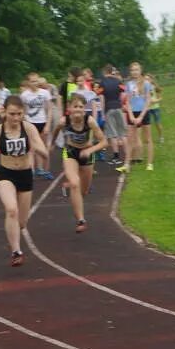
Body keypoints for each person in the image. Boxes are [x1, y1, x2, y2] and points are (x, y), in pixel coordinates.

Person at [0, 94, 49, 266]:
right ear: (5, 113)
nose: (15, 118)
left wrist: (38, 149)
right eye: (12, 114)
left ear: (23, 113)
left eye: (19, 114)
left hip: (25, 175)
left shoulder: (29, 128)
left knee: (22, 222)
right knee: (11, 209)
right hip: (6, 174)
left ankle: (15, 236)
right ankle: (16, 251)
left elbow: (43, 150)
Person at [57, 93, 106, 232]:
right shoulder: (63, 121)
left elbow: (104, 141)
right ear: (69, 108)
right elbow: (55, 131)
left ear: (84, 109)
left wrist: (90, 151)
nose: (78, 109)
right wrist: (51, 144)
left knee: (83, 191)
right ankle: (81, 220)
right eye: (75, 106)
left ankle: (75, 197)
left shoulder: (89, 121)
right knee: (74, 183)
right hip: (70, 152)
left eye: (81, 107)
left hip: (87, 153)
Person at [21, 73, 56, 179]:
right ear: (28, 82)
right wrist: (25, 121)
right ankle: (31, 170)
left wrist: (48, 124)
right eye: (32, 81)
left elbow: (49, 109)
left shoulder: (45, 93)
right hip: (30, 123)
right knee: (31, 147)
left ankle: (44, 170)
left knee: (44, 147)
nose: (35, 83)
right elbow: (22, 110)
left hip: (43, 122)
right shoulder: (24, 95)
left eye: (36, 81)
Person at [123, 61, 155, 168]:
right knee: (130, 139)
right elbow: (128, 100)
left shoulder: (146, 84)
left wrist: (141, 116)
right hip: (132, 113)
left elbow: (148, 101)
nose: (134, 72)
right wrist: (131, 115)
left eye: (137, 70)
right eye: (132, 70)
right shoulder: (128, 84)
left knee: (147, 139)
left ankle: (149, 163)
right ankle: (127, 163)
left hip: (144, 112)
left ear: (140, 71)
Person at [97, 65, 129, 172]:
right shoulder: (118, 81)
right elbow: (123, 93)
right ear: (112, 71)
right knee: (122, 133)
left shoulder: (102, 82)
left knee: (112, 134)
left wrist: (102, 113)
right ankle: (127, 156)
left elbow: (101, 97)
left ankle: (116, 156)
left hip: (109, 108)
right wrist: (121, 103)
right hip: (118, 107)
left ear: (105, 72)